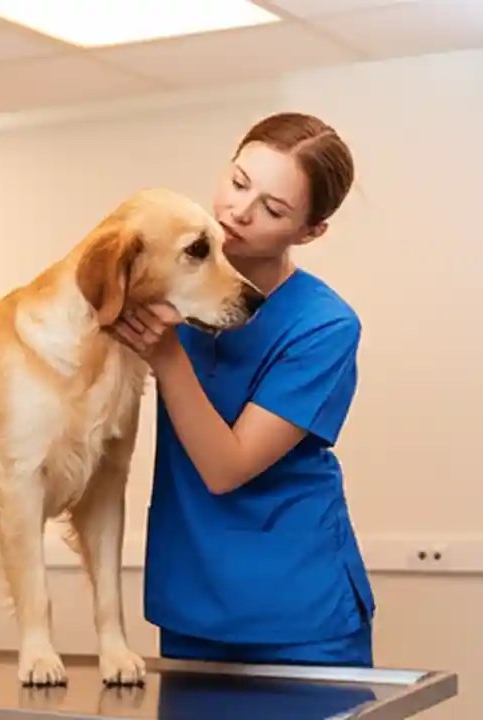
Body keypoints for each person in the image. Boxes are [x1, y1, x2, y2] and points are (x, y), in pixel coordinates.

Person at [108, 111, 376, 668]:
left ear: (309, 232)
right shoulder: (172, 285)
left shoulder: (323, 325)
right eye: (237, 182)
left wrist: (166, 356)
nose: (239, 211)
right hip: (190, 602)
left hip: (296, 611)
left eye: (273, 209)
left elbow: (225, 468)